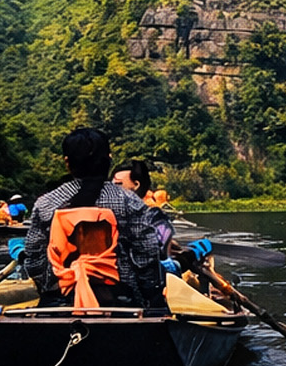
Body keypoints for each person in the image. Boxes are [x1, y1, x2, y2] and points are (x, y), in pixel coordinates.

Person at [16, 128, 170, 313]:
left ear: (67, 163)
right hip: (123, 300)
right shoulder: (129, 201)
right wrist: (149, 295)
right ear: (108, 160)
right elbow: (146, 254)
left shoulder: (46, 203)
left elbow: (35, 258)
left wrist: (47, 286)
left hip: (61, 300)